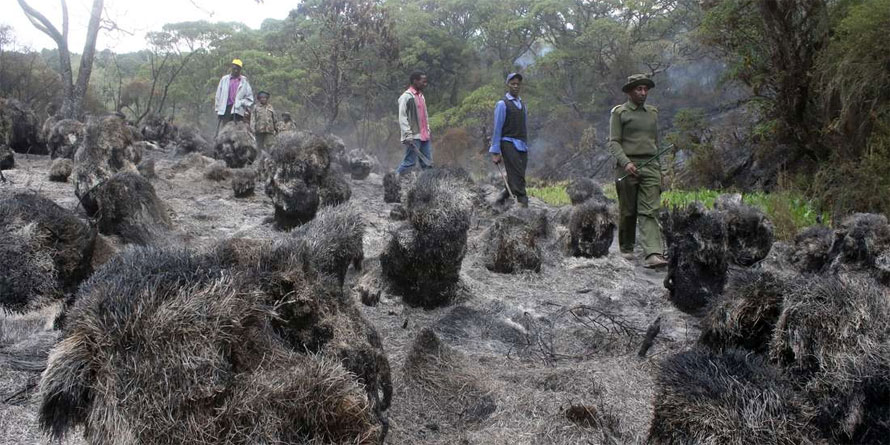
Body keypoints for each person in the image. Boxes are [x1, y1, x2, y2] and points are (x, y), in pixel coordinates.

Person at [608, 74, 667, 268]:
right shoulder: (620, 113)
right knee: (628, 211)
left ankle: (653, 253)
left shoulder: (652, 113)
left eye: (645, 89)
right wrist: (626, 163)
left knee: (650, 210)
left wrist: (661, 170)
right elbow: (614, 142)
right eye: (638, 89)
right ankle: (626, 248)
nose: (643, 93)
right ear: (630, 91)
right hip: (627, 168)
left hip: (650, 166)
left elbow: (656, 143)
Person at [490, 72, 529, 207]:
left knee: (519, 175)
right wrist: (495, 151)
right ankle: (523, 204)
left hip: (521, 144)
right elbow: (497, 128)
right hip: (507, 143)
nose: (516, 86)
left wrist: (525, 144)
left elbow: (523, 127)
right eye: (513, 84)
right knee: (518, 175)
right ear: (508, 85)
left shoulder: (523, 105)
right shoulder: (502, 104)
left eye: (518, 84)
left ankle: (501, 199)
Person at [396, 71, 432, 174]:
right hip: (414, 136)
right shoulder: (406, 97)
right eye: (423, 82)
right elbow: (402, 117)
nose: (425, 84)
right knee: (409, 162)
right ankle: (392, 180)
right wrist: (407, 134)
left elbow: (425, 115)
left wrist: (428, 130)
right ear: (415, 81)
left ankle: (429, 186)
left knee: (427, 164)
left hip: (425, 136)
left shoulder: (421, 96)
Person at [214, 59, 254, 135]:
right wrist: (217, 109)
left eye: (238, 69)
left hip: (238, 110)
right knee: (225, 130)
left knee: (238, 131)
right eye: (234, 68)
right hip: (226, 109)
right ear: (231, 68)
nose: (236, 70)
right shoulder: (224, 79)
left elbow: (249, 98)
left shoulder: (244, 81)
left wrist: (241, 103)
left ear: (240, 69)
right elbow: (218, 95)